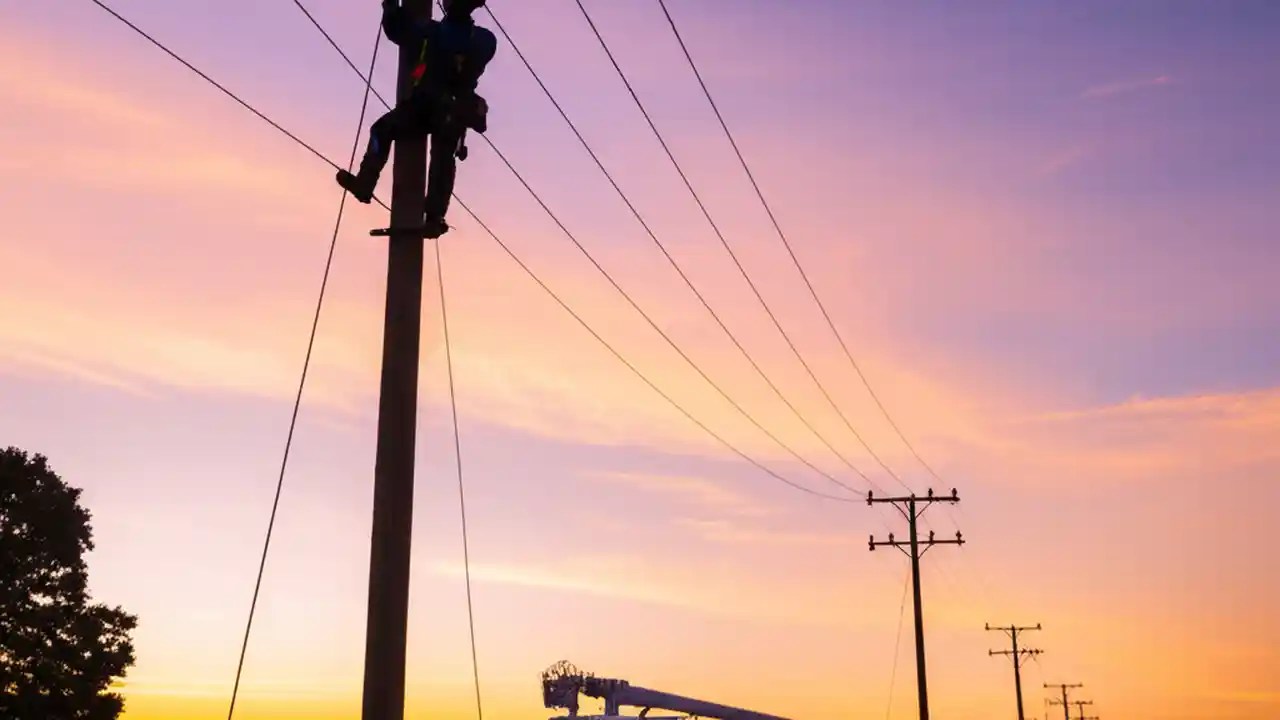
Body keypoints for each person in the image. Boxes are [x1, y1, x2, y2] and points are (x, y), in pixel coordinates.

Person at [337, 0, 497, 238]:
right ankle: (369, 185)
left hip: (443, 109)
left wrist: (392, 9)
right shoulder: (467, 37)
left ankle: (431, 216)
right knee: (386, 130)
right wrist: (391, 7)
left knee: (439, 154)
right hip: (430, 107)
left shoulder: (448, 34)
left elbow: (400, 29)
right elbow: (398, 28)